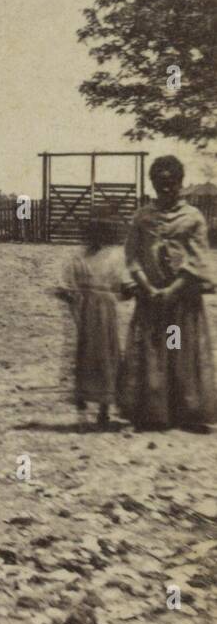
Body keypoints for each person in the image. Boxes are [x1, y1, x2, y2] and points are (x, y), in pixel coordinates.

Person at [121, 156, 217, 431]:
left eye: (171, 182)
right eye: (160, 183)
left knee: (177, 349)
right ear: (152, 183)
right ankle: (155, 411)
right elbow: (132, 256)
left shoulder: (192, 217)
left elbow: (196, 258)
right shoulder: (143, 216)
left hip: (180, 302)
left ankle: (184, 410)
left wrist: (173, 290)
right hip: (151, 301)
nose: (166, 188)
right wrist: (148, 288)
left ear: (180, 183)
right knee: (154, 352)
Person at [54, 215, 131, 429]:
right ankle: (82, 409)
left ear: (107, 235)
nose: (96, 238)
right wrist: (66, 293)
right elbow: (65, 283)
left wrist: (129, 289)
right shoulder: (79, 259)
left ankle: (104, 410)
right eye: (92, 234)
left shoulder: (115, 257)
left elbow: (123, 285)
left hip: (106, 312)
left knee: (108, 355)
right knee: (85, 355)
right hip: (85, 311)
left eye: (102, 233)